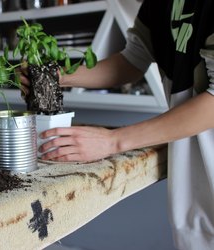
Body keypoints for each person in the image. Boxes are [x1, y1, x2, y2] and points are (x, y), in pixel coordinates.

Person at [18, 0, 214, 249]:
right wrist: (56, 77)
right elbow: (131, 61)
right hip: (193, 176)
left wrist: (112, 141)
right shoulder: (156, 5)